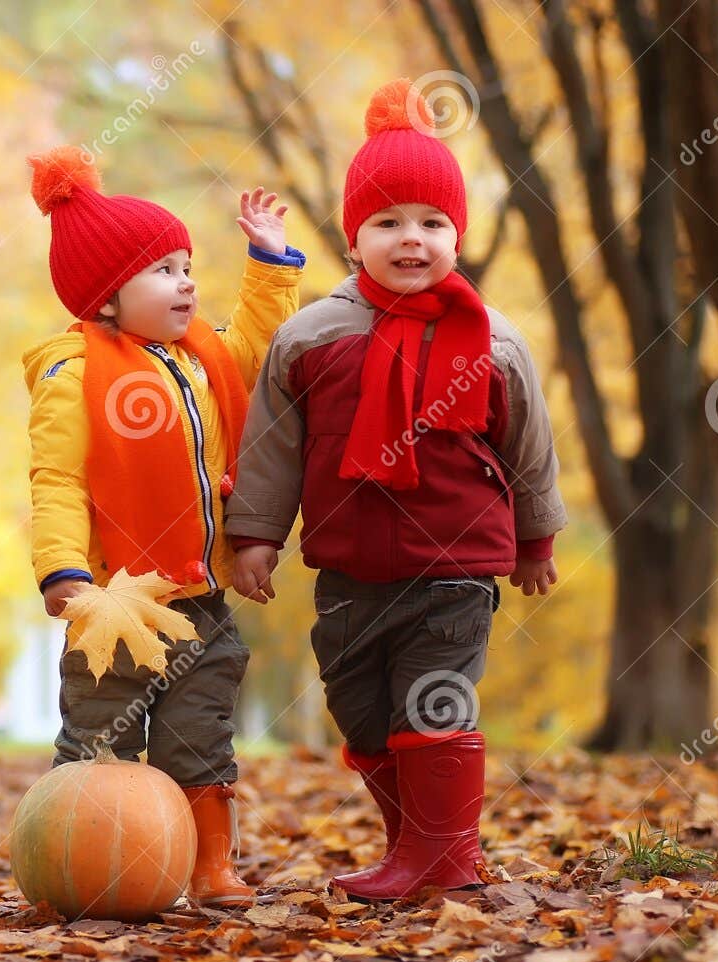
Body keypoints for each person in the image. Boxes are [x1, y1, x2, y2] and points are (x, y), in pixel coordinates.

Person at [226, 79, 567, 901]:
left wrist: (536, 536)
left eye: (431, 222)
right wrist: (256, 533)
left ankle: (443, 858)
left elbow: (530, 444)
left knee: (434, 701)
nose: (410, 239)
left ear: (458, 235)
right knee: (365, 713)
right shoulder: (312, 334)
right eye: (387, 223)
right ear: (353, 240)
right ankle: (416, 846)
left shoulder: (494, 340)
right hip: (348, 568)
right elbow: (274, 445)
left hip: (454, 566)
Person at [23, 145, 305, 906]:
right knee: (102, 739)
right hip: (116, 605)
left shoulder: (199, 355)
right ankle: (84, 861)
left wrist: (269, 265)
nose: (186, 282)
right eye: (164, 269)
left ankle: (209, 862)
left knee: (202, 736)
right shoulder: (73, 375)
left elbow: (254, 349)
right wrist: (63, 572)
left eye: (188, 266)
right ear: (108, 297)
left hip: (201, 600)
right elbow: (57, 481)